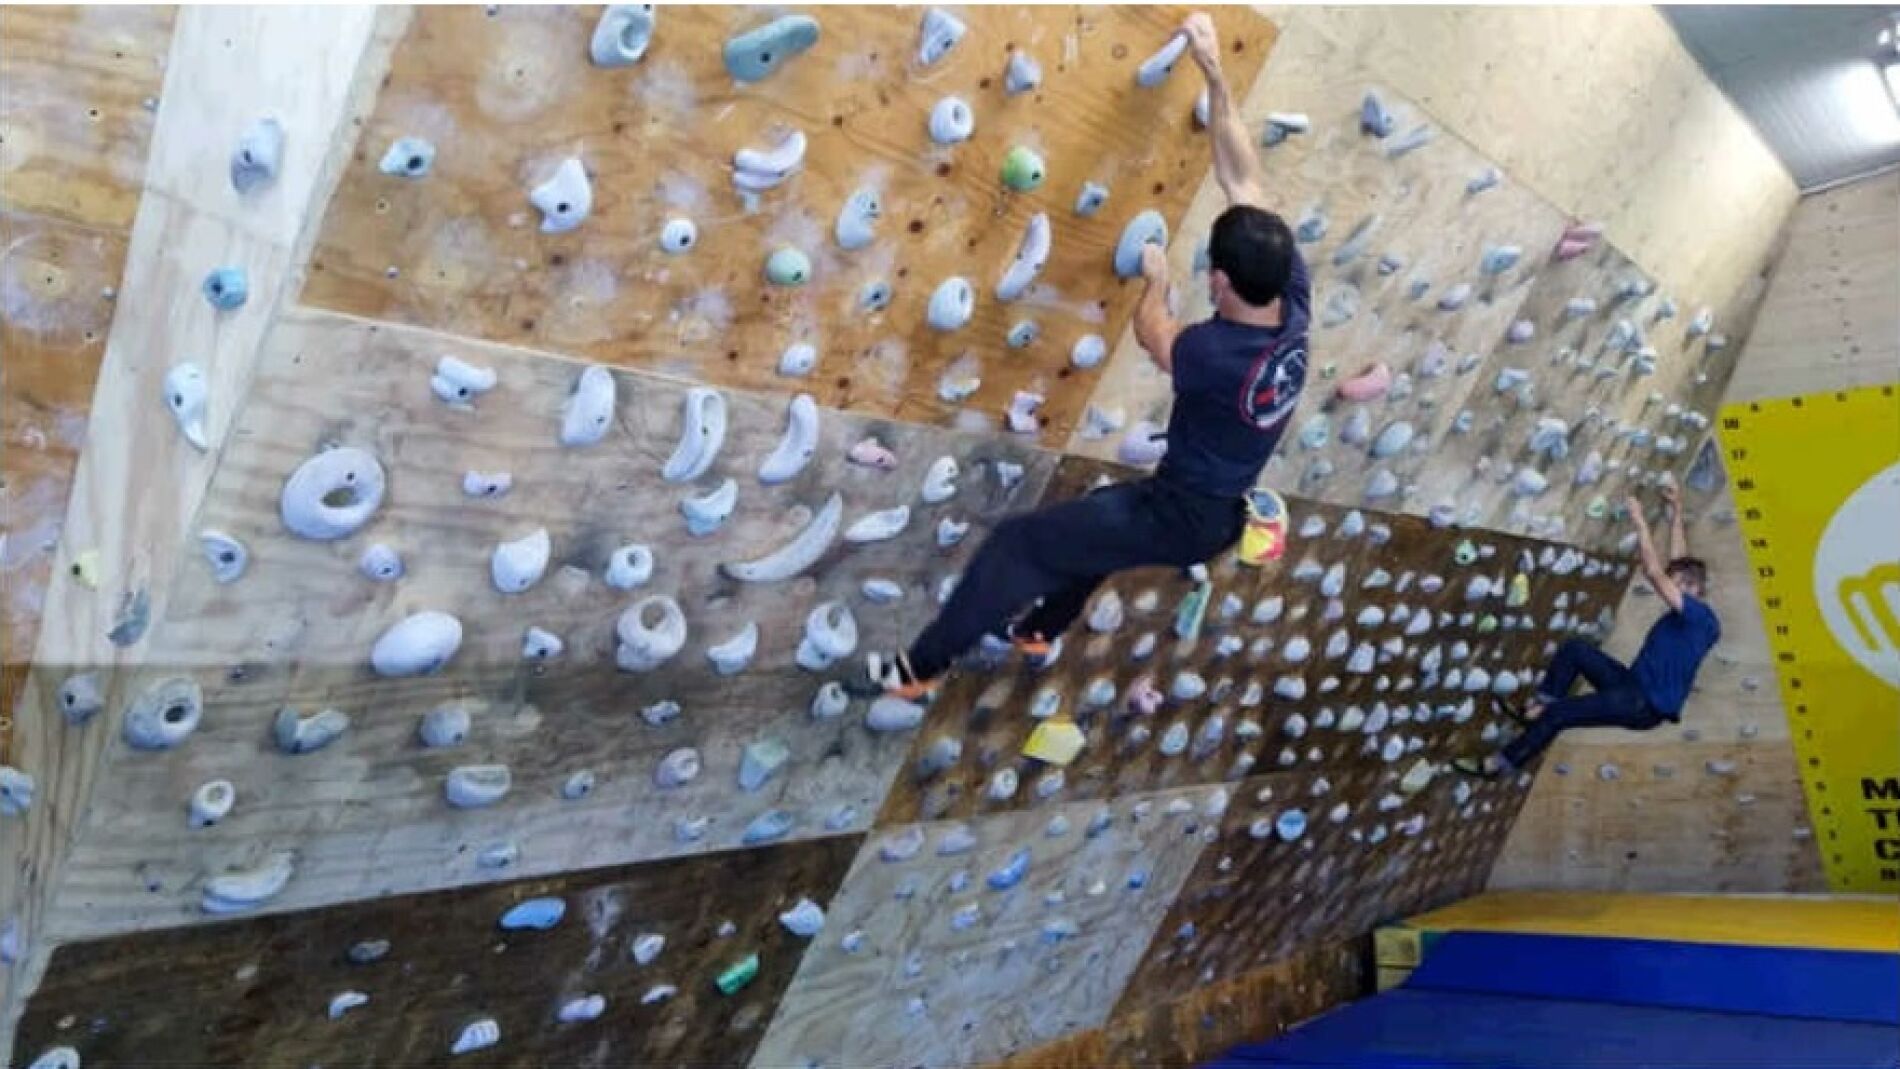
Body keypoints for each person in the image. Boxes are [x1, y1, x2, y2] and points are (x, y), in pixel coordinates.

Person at [867, 13, 1311, 700]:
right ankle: (1041, 628)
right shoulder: (1290, 298)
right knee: (1096, 537)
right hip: (1215, 517)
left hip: (1181, 513)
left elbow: (1153, 335)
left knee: (1021, 543)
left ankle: (918, 669)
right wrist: (1215, 73)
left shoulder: (1215, 352)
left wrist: (1158, 280)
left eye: (1208, 275)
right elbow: (1244, 178)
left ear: (1219, 282)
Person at [1454, 484, 1720, 776]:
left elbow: (1656, 573)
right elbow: (1679, 562)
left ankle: (1501, 763)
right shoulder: (1694, 612)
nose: (1669, 589)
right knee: (1575, 651)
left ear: (1691, 588)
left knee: (1560, 715)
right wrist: (1676, 511)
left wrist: (1639, 520)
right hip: (1631, 684)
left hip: (1642, 705)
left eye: (1676, 583)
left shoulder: (1699, 618)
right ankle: (1535, 711)